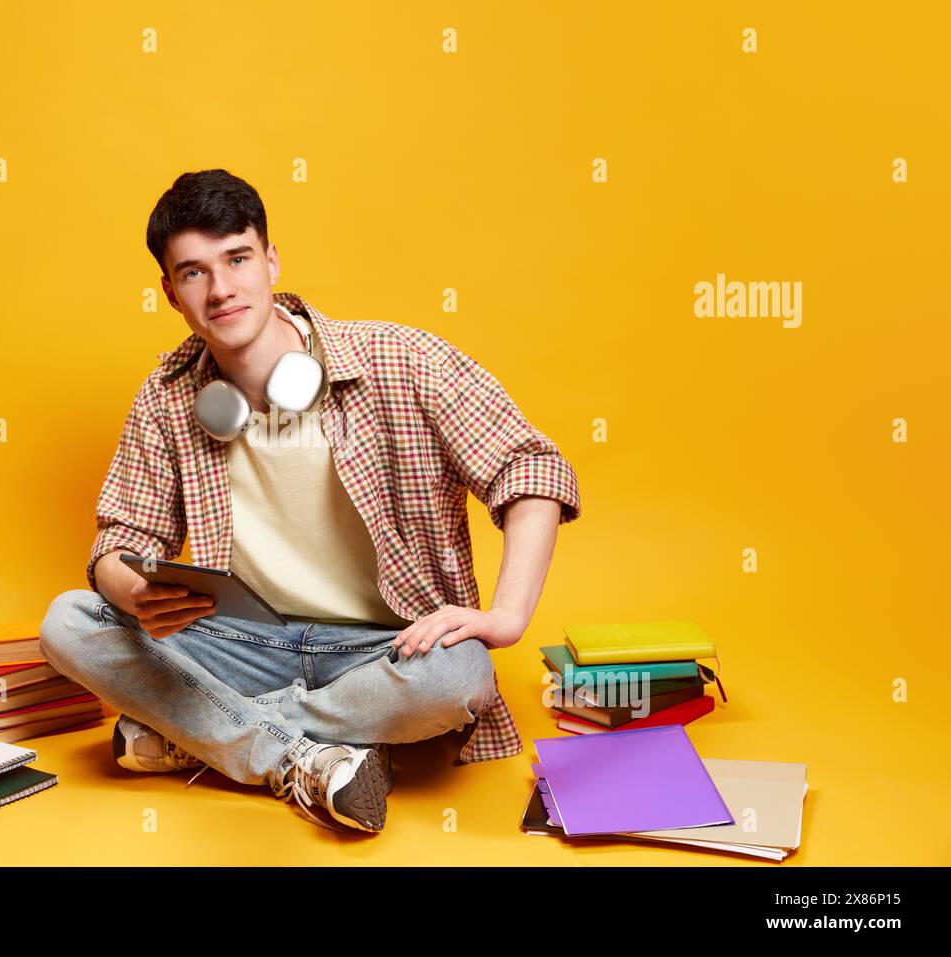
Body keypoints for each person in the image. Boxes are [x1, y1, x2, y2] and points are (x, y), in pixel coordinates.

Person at [39, 169, 581, 833]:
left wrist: (508, 612)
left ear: (271, 261)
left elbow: (529, 466)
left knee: (460, 674)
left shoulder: (399, 358)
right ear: (170, 293)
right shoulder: (167, 395)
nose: (221, 289)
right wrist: (132, 587)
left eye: (237, 259)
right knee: (69, 620)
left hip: (385, 645)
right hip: (243, 638)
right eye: (194, 272)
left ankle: (205, 734)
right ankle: (300, 757)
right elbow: (118, 540)